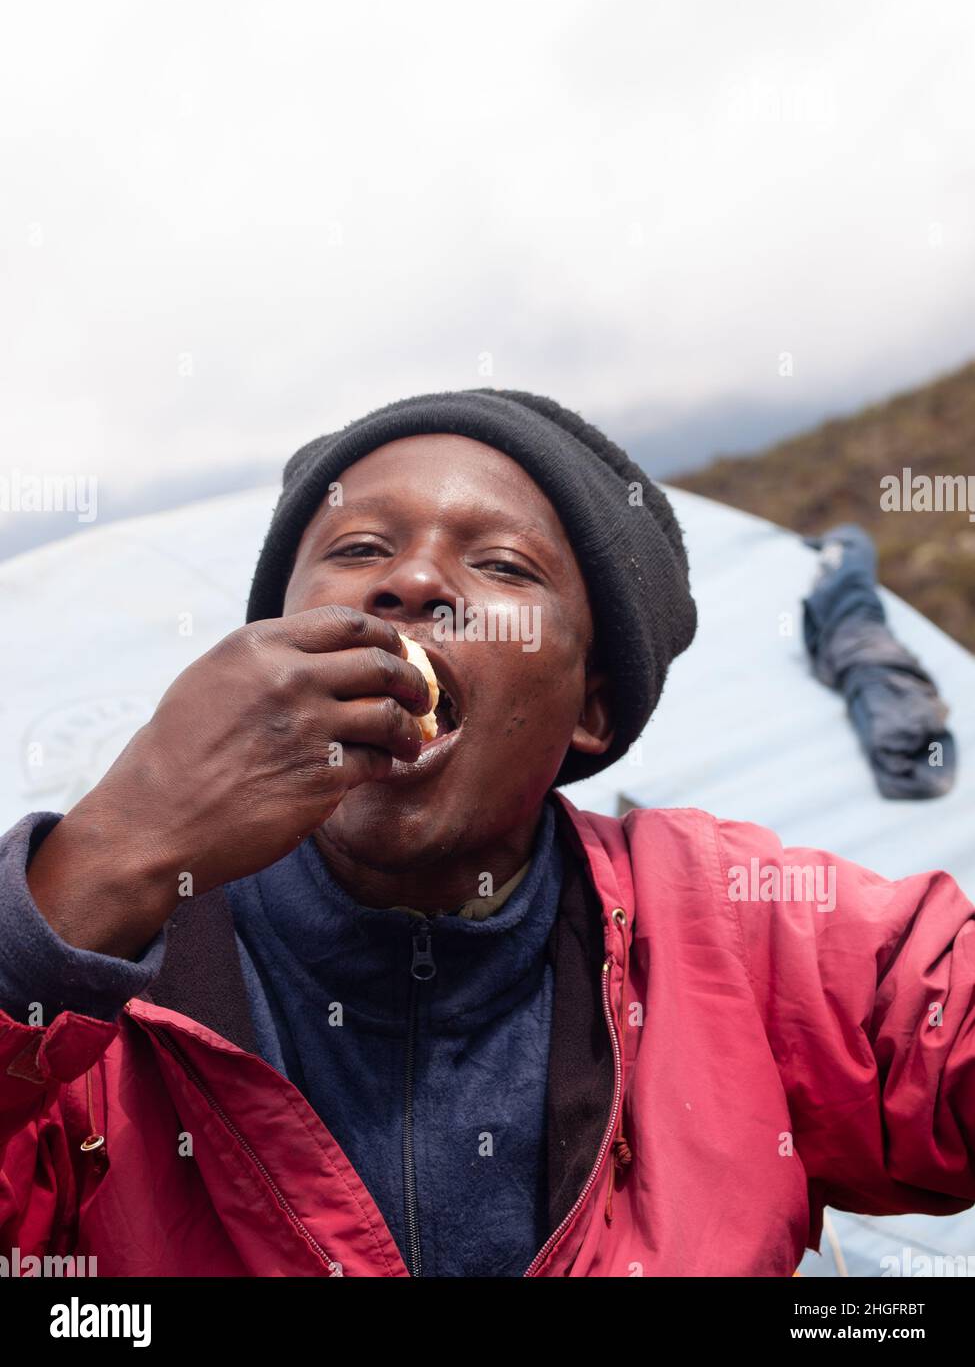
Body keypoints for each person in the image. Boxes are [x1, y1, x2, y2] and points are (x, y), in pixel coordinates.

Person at [1, 388, 972, 1278]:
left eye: (502, 565)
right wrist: (99, 867)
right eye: (356, 550)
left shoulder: (738, 926)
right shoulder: (98, 979)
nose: (413, 579)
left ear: (593, 710)